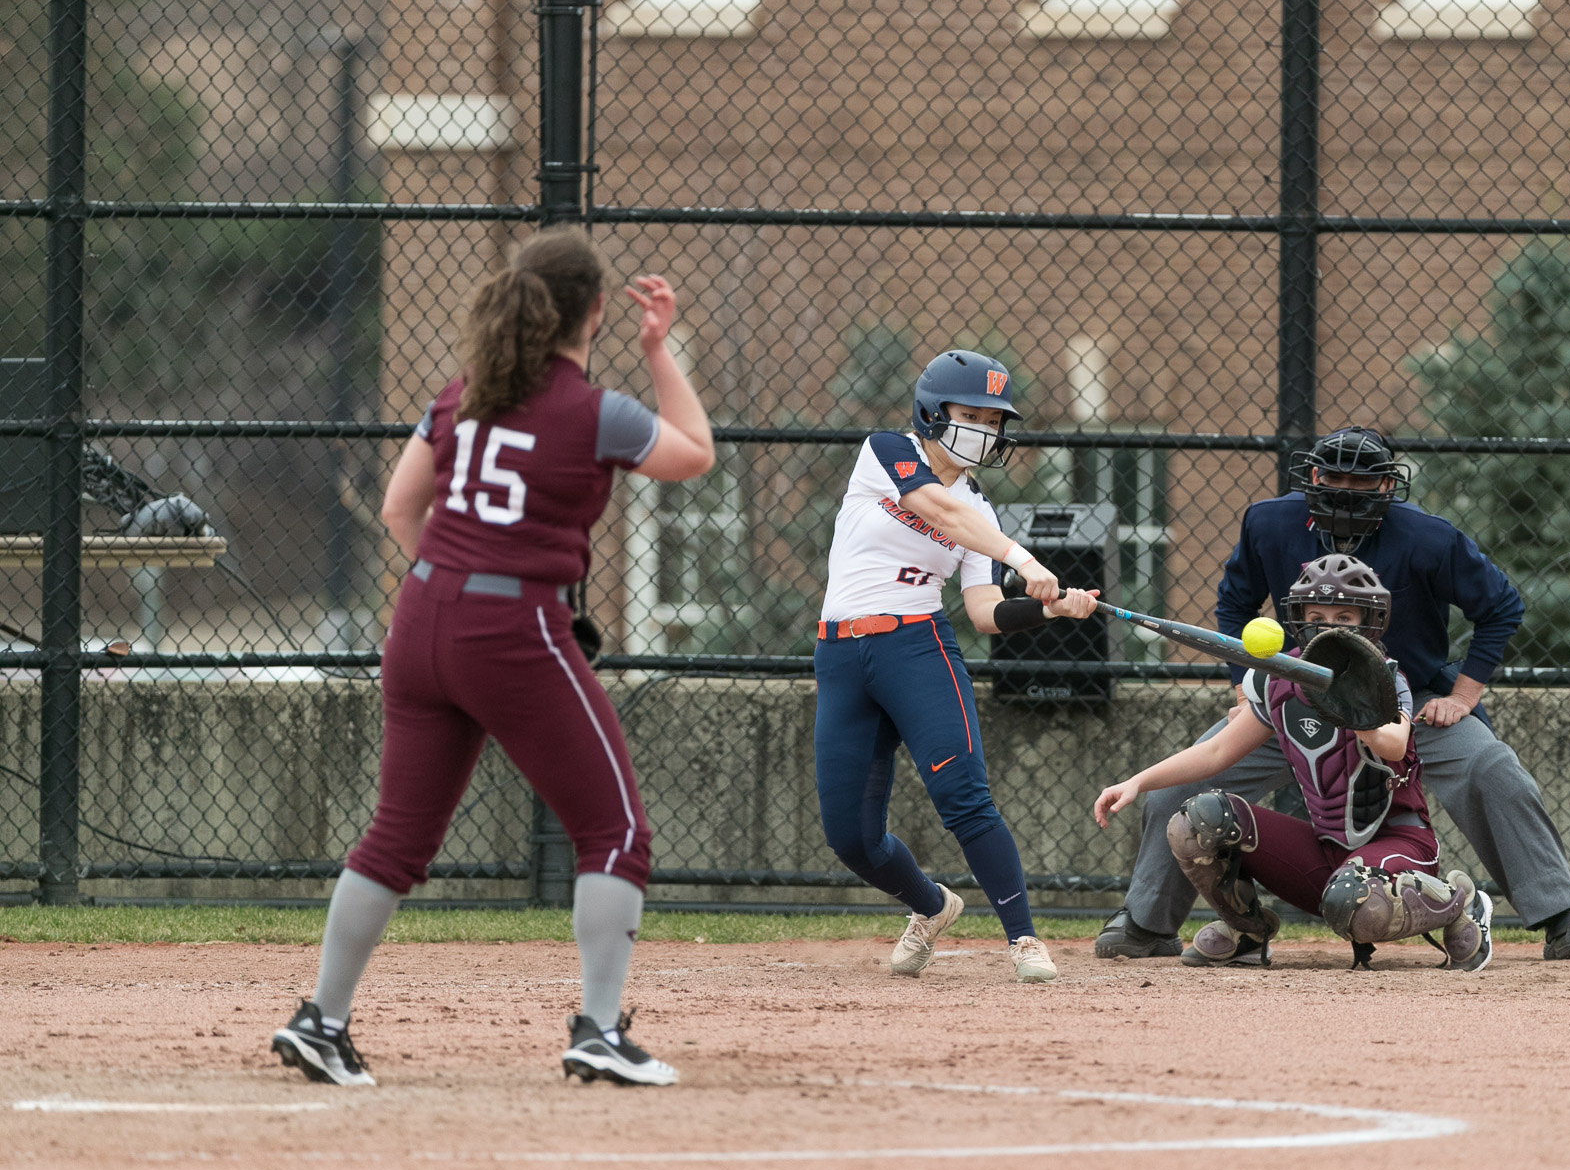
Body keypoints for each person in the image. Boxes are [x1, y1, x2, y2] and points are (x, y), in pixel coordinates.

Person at [271, 228, 715, 1087]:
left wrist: (461, 579)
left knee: (395, 837)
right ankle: (597, 1029)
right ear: (592, 311)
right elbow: (691, 453)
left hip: (422, 614)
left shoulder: (462, 395)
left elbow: (403, 509)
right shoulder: (594, 410)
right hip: (510, 628)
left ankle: (322, 1020)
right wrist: (661, 351)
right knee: (615, 831)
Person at [1094, 426, 1570, 962]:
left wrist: (1464, 694)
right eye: (1334, 477)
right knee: (1181, 791)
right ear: (1311, 477)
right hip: (1294, 695)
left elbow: (1500, 607)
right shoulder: (1269, 523)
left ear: (1388, 486)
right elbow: (1233, 610)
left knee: (1492, 767)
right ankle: (1149, 922)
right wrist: (1246, 689)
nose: (1346, 489)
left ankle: (1558, 912)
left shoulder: (1429, 538)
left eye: (1364, 481)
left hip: (1404, 703)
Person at [813, 349, 1100, 984]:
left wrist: (1049, 610)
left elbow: (986, 613)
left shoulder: (980, 511)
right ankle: (931, 906)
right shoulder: (885, 451)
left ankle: (1023, 939)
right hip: (839, 654)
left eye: (994, 420)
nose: (985, 430)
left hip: (917, 649)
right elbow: (931, 506)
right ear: (931, 412)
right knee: (850, 838)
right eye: (971, 414)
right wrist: (1026, 560)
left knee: (963, 799)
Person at [1093, 554, 1492, 972]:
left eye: (1343, 616)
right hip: (1326, 854)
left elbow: (1394, 744)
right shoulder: (1278, 679)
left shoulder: (1384, 676)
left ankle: (1460, 903)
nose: (1326, 625)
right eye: (1315, 614)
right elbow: (1216, 752)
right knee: (1198, 821)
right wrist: (1137, 781)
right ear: (1297, 618)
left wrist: (1356, 713)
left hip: (1399, 845)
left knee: (1356, 904)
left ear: (1370, 623)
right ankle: (1247, 932)